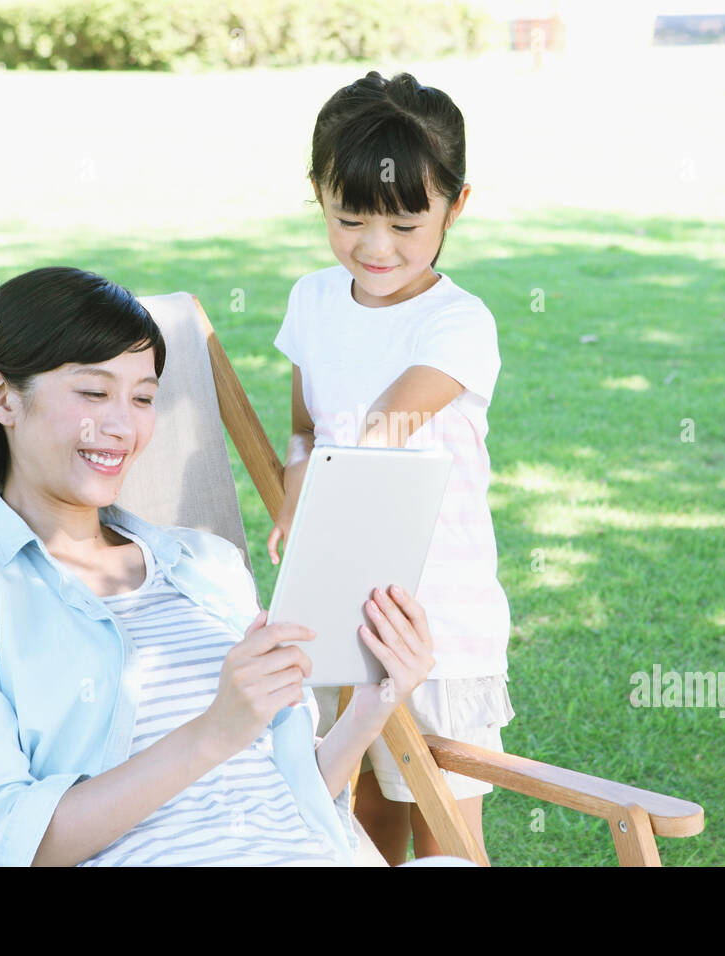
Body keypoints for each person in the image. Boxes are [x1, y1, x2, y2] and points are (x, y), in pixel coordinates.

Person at [0, 266, 445, 866]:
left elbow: (291, 788)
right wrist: (213, 732)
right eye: (94, 393)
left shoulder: (207, 564)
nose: (123, 426)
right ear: (1, 397)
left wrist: (372, 704)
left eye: (144, 397)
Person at [267, 71, 514, 865]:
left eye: (407, 224)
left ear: (456, 206)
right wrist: (293, 479)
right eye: (349, 218)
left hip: (434, 618)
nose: (376, 247)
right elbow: (307, 424)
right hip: (340, 604)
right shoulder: (311, 300)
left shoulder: (457, 323)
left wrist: (321, 484)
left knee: (443, 824)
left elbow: (383, 430)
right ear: (319, 194)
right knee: (362, 818)